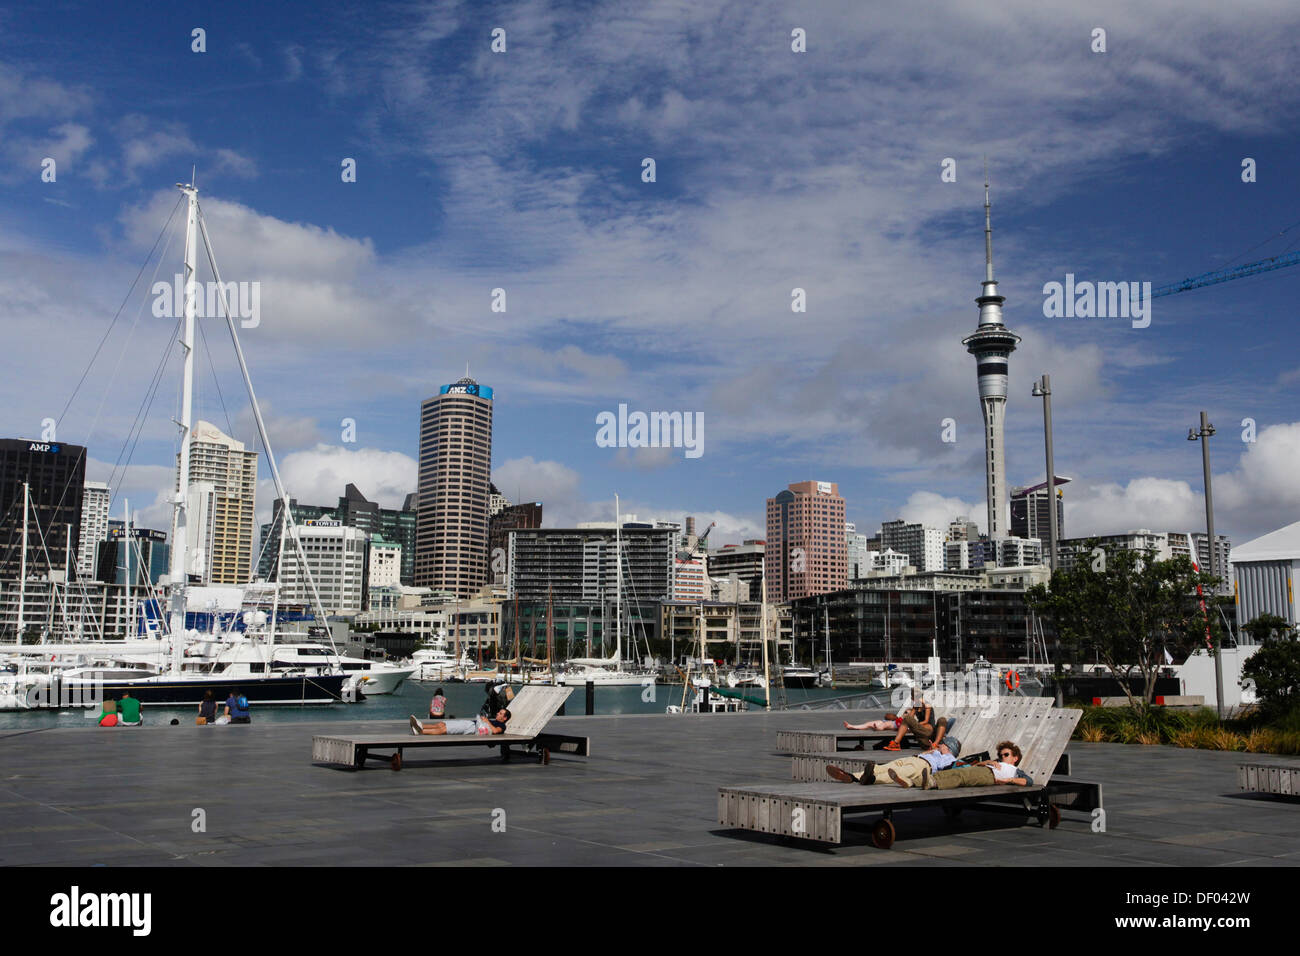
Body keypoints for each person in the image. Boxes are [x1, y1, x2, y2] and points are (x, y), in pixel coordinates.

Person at [826, 737, 962, 789]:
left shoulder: (950, 759)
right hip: (913, 758)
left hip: (924, 765)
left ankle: (871, 779)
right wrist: (931, 750)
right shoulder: (936, 751)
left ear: (949, 748)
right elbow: (925, 753)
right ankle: (852, 776)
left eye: (943, 744)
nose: (941, 745)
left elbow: (948, 769)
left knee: (897, 773)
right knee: (884, 767)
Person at [928, 740, 1034, 789]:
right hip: (982, 770)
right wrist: (989, 762)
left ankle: (934, 784)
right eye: (1000, 755)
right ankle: (921, 780)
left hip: (990, 776)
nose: (1002, 757)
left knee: (963, 777)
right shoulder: (997, 762)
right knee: (955, 772)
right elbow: (978, 764)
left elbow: (1029, 781)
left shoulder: (1015, 771)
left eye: (1006, 755)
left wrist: (1010, 780)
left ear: (1015, 758)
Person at [410, 708, 511, 736]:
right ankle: (421, 725)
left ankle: (421, 731)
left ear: (505, 718)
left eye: (501, 713)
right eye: (499, 712)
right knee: (442, 724)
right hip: (470, 723)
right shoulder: (495, 720)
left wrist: (487, 721)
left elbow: (495, 731)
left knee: (444, 729)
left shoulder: (502, 725)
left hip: (471, 728)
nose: (498, 713)